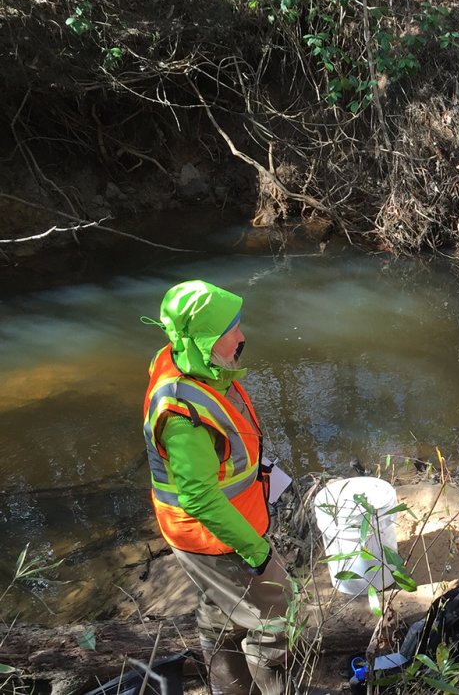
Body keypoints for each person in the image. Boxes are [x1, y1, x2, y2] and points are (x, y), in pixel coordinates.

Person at [142, 280, 290, 695]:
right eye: (233, 330)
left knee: (223, 607)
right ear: (205, 339)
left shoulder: (192, 362)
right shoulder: (183, 413)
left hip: (225, 524)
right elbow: (200, 497)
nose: (243, 337)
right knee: (273, 609)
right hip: (212, 535)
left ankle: (229, 688)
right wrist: (257, 551)